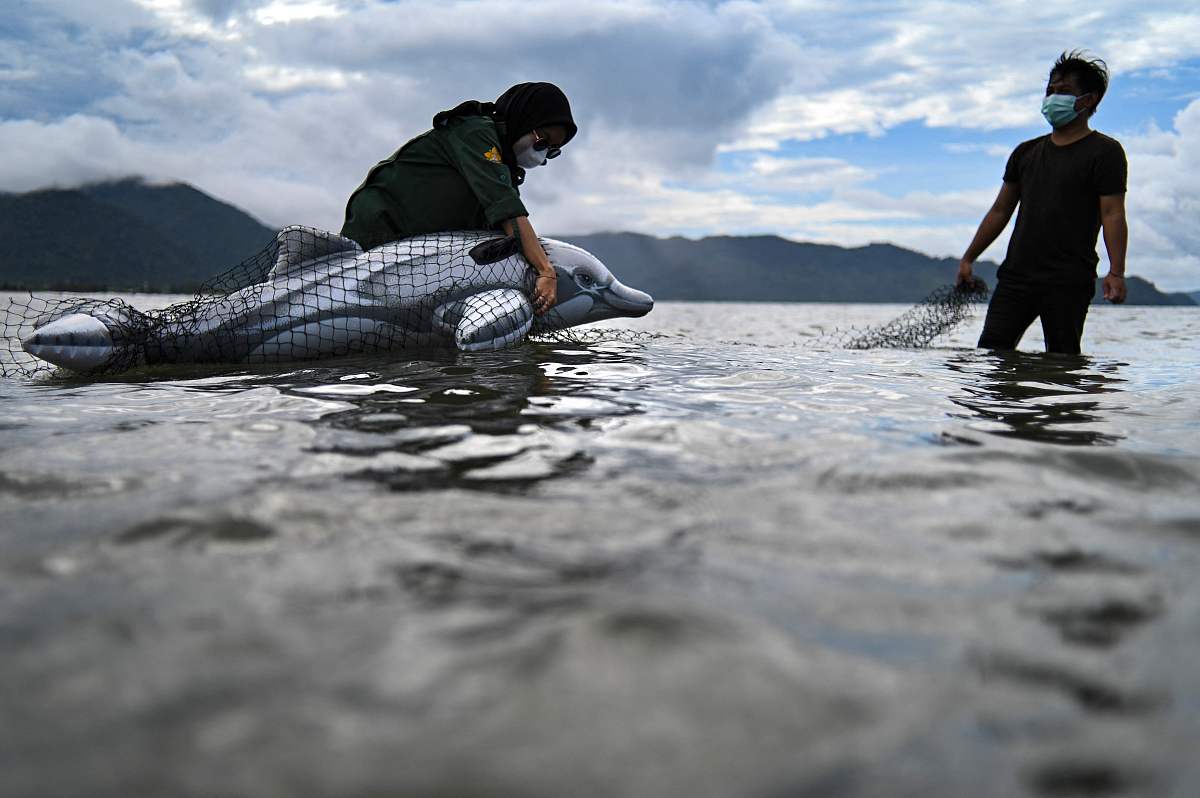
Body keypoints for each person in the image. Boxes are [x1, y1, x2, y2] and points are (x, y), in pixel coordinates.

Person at [340, 82, 577, 315]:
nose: (542, 153)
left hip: (416, 248)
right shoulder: (476, 134)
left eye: (552, 150)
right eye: (542, 141)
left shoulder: (506, 166)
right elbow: (507, 211)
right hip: (379, 226)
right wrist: (546, 271)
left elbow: (504, 230)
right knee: (357, 302)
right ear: (524, 120)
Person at [956, 51, 1128, 354]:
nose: (1053, 98)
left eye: (1063, 92)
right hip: (1016, 277)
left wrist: (1116, 271)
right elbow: (999, 211)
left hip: (1069, 279)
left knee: (1063, 367)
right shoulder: (1026, 153)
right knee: (991, 358)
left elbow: (1112, 213)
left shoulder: (1105, 152)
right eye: (1050, 91)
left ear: (1089, 100)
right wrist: (969, 257)